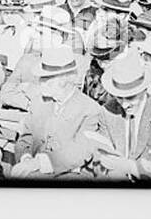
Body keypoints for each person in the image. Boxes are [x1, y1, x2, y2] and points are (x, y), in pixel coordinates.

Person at [11, 45, 103, 178]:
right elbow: (26, 136)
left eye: (45, 79)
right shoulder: (39, 101)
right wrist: (25, 158)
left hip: (67, 175)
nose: (40, 83)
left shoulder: (90, 110)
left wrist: (38, 163)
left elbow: (79, 153)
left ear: (64, 80)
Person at [96, 50, 151, 180]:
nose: (124, 105)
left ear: (144, 89)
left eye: (130, 98)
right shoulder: (107, 111)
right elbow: (103, 156)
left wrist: (128, 167)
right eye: (119, 97)